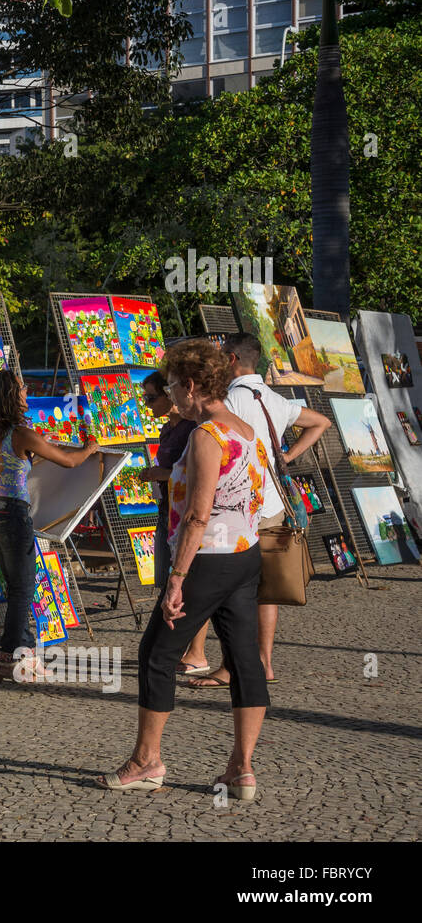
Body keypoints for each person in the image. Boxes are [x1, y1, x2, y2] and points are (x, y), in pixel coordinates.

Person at [102, 339, 270, 799]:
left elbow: (198, 514)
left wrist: (176, 578)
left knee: (157, 653)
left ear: (191, 385)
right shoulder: (241, 428)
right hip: (244, 553)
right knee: (243, 658)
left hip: (208, 559)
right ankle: (242, 767)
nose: (169, 394)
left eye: (172, 385)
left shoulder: (206, 436)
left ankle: (146, 760)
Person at [185, 332, 331, 690]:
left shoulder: (229, 402)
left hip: (239, 508)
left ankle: (225, 663)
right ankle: (264, 662)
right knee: (266, 589)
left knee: (230, 588)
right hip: (273, 503)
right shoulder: (273, 398)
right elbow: (320, 422)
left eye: (221, 356)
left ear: (232, 359)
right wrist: (287, 458)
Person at [0, 369, 99, 682]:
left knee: (15, 585)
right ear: (11, 396)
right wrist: (89, 449)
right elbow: (68, 461)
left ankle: (24, 651)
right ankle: (10, 658)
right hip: (12, 515)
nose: (26, 392)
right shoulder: (21, 433)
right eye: (22, 388)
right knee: (23, 589)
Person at [135, 370, 202, 674]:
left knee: (184, 581)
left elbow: (194, 473)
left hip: (186, 511)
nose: (147, 404)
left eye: (151, 397)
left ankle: (191, 650)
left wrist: (162, 474)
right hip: (167, 508)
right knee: (165, 580)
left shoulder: (193, 429)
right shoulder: (167, 430)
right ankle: (172, 647)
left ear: (169, 395)